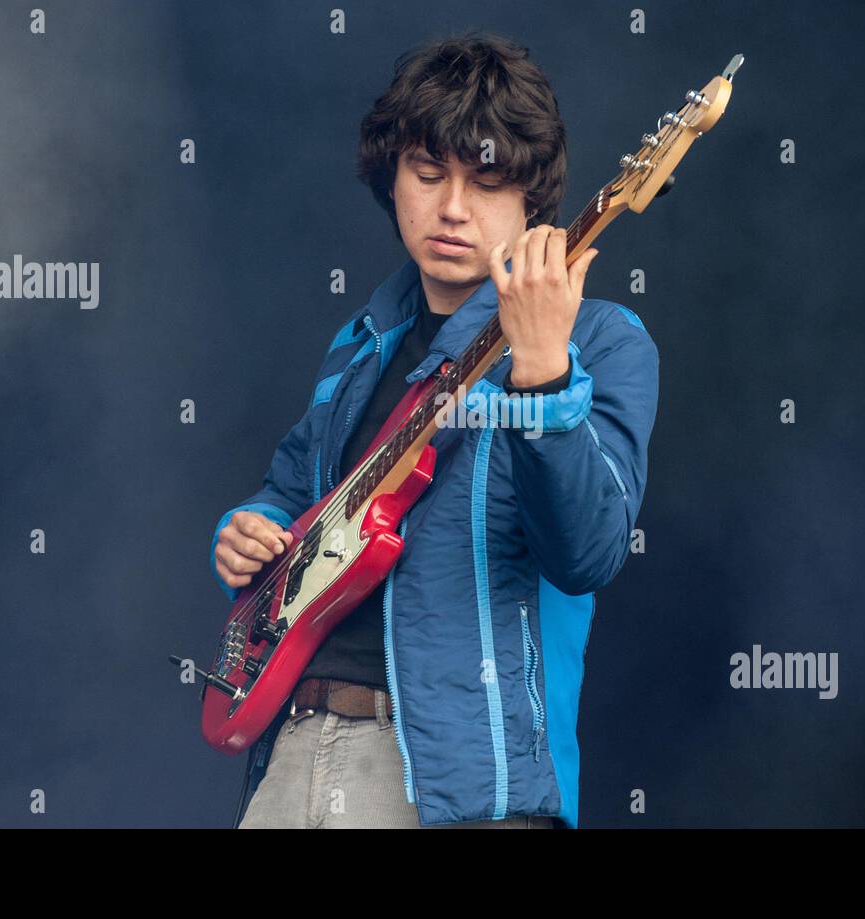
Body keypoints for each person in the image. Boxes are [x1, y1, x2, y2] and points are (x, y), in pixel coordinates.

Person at [210, 31, 659, 828]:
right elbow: (288, 493)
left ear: (531, 202)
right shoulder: (360, 343)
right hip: (291, 747)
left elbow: (588, 550)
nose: (452, 208)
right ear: (394, 180)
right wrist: (247, 532)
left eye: (486, 183)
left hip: (456, 779)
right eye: (428, 174)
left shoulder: (601, 340)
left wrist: (546, 373)